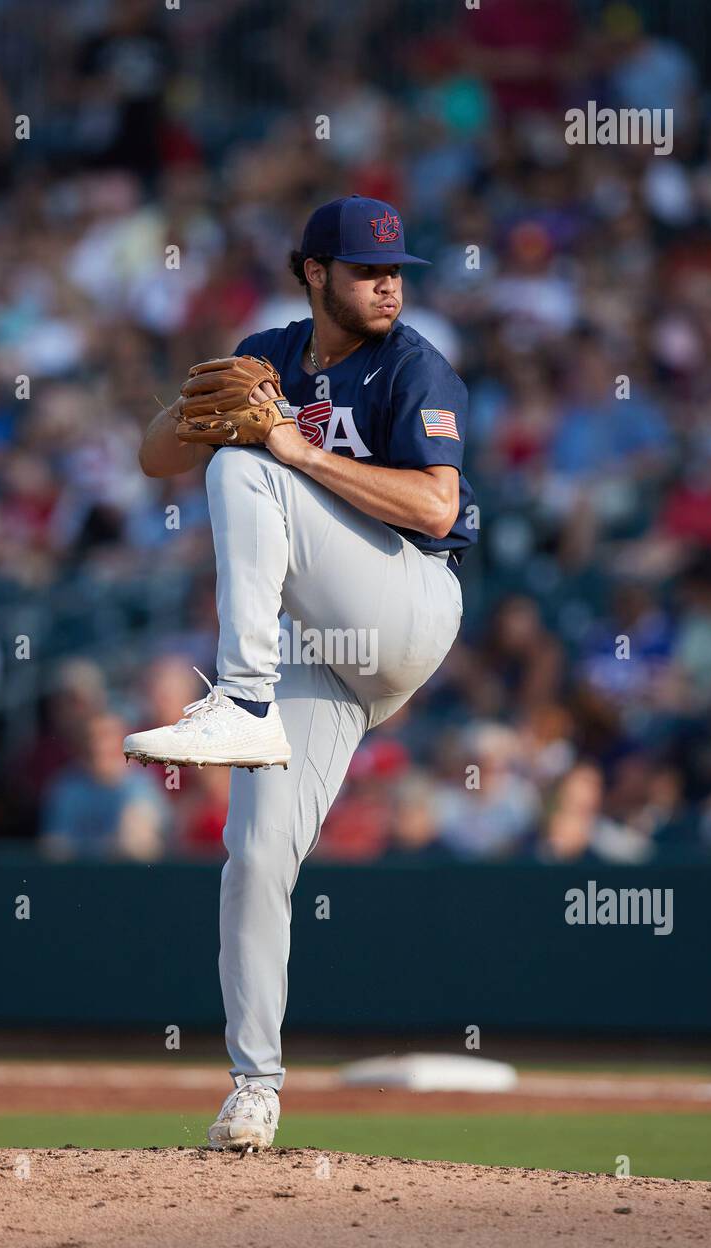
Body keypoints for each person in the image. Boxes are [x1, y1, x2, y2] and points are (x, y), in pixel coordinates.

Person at [124, 196, 476, 1149]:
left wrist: (289, 446)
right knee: (256, 855)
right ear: (314, 273)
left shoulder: (414, 365)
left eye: (397, 269)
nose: (389, 283)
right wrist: (189, 409)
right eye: (367, 269)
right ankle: (255, 1089)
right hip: (321, 651)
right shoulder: (268, 355)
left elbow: (439, 509)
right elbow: (156, 458)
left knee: (250, 470)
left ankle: (239, 695)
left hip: (405, 605)